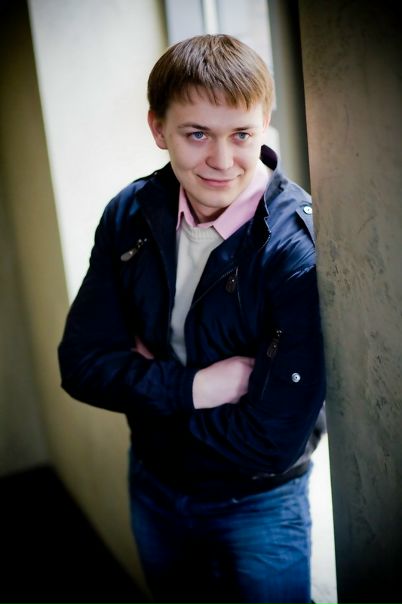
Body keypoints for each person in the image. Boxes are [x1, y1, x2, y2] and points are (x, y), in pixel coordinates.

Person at [58, 34, 326, 604]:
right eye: (197, 134)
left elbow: (272, 442)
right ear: (158, 129)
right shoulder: (128, 214)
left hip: (260, 504)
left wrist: (149, 394)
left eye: (242, 134)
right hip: (153, 486)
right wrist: (199, 387)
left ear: (265, 123)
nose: (222, 161)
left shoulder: (296, 250)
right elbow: (81, 366)